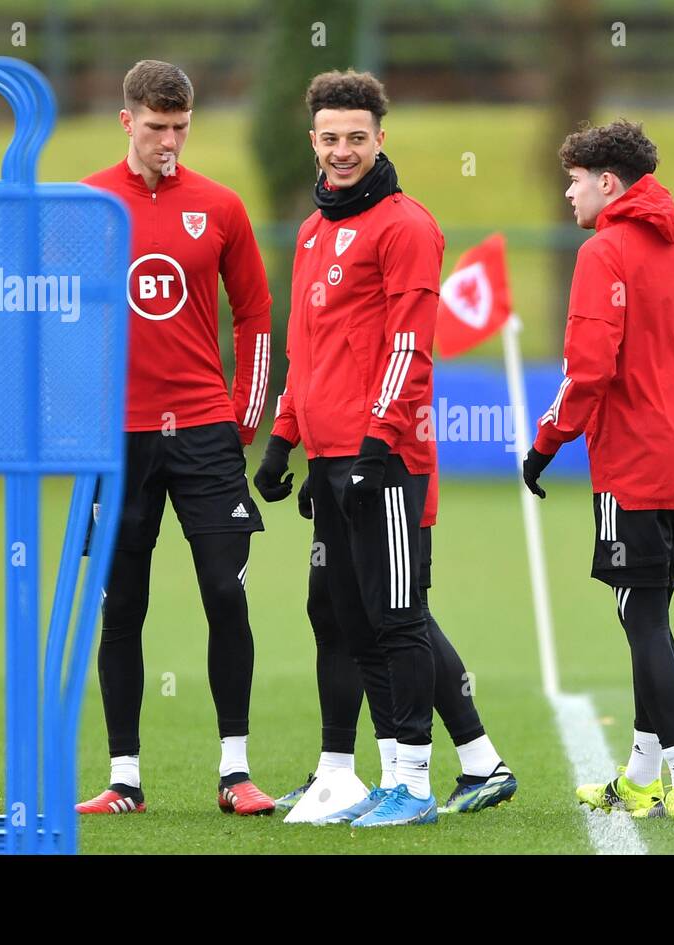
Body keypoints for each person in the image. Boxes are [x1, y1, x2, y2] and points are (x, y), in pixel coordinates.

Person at [522, 119, 674, 820]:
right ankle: (643, 775)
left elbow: (587, 369)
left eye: (575, 179)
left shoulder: (604, 253)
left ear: (608, 183)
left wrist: (545, 442)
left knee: (640, 613)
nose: (568, 192)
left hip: (634, 466)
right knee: (652, 613)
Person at [76, 60, 275, 816]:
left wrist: (241, 416)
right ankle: (124, 776)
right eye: (155, 126)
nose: (168, 139)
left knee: (226, 592)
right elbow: (52, 314)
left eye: (180, 126)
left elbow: (255, 314)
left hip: (203, 432)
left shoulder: (220, 207)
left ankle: (235, 770)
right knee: (121, 601)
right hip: (113, 440)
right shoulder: (87, 205)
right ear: (126, 121)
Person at [254, 70, 442, 827]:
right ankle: (363, 775)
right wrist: (283, 442)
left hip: (384, 460)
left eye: (356, 138)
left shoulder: (406, 226)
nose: (342, 152)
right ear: (314, 141)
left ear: (380, 139)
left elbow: (409, 347)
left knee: (398, 613)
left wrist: (374, 443)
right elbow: (305, 352)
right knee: (342, 613)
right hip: (332, 457)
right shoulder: (311, 230)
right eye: (330, 139)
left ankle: (417, 783)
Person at [275, 467, 518, 819]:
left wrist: (356, 461)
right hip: (344, 474)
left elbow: (388, 413)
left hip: (386, 482)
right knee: (336, 610)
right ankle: (351, 770)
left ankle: (469, 763)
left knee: (403, 614)